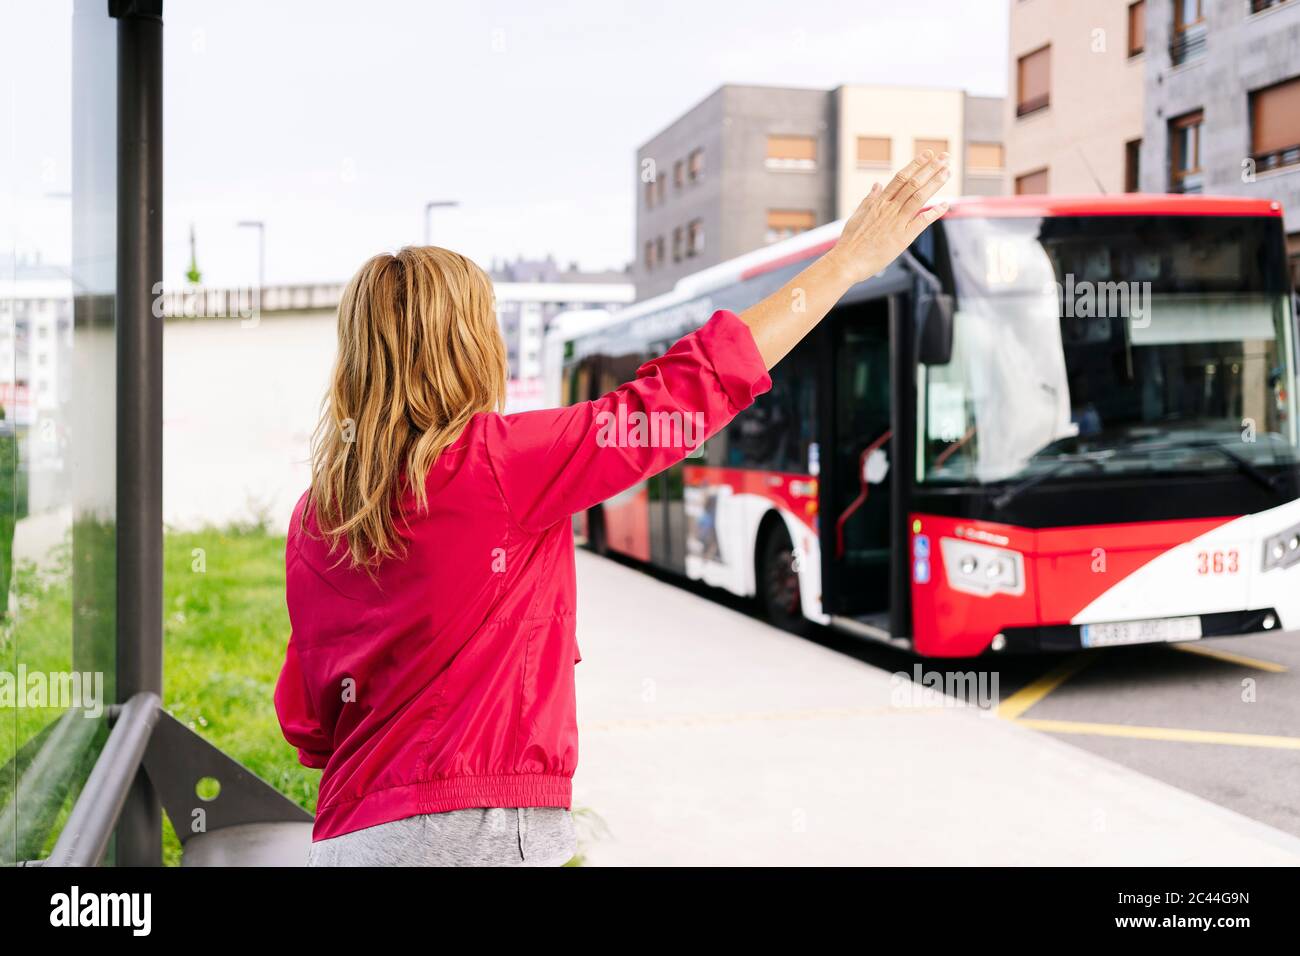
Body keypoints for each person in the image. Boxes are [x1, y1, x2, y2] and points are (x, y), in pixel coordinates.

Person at [275, 151, 952, 866]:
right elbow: (685, 395)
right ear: (469, 347)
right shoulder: (502, 464)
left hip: (349, 840)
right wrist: (845, 265)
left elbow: (310, 723)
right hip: (467, 838)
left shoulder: (315, 515)